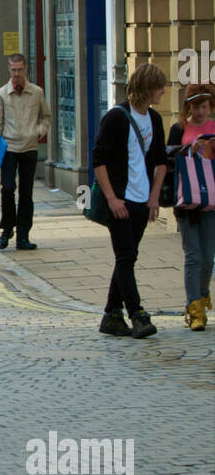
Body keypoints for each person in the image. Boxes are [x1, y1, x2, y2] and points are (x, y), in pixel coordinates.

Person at [92, 62, 169, 339]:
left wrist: (154, 197)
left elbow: (161, 161)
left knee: (129, 257)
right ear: (148, 87)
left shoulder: (155, 119)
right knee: (125, 256)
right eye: (160, 86)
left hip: (142, 200)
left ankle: (112, 314)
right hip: (120, 200)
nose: (163, 91)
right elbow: (98, 160)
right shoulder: (117, 117)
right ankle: (137, 314)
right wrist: (112, 199)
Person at [0, 54, 52, 250]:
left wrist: (38, 132)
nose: (16, 74)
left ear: (26, 69)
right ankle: (7, 229)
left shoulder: (37, 92)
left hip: (29, 147)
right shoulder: (1, 94)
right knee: (7, 188)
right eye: (13, 70)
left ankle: (23, 235)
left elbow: (46, 117)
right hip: (9, 148)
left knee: (26, 192)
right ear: (9, 70)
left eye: (20, 70)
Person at [166, 82, 215, 331]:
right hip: (186, 201)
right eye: (195, 107)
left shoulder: (214, 128)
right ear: (188, 107)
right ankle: (194, 309)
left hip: (211, 201)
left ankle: (203, 293)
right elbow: (166, 157)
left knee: (208, 258)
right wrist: (189, 149)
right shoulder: (179, 129)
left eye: (204, 107)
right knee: (193, 256)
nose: (200, 112)